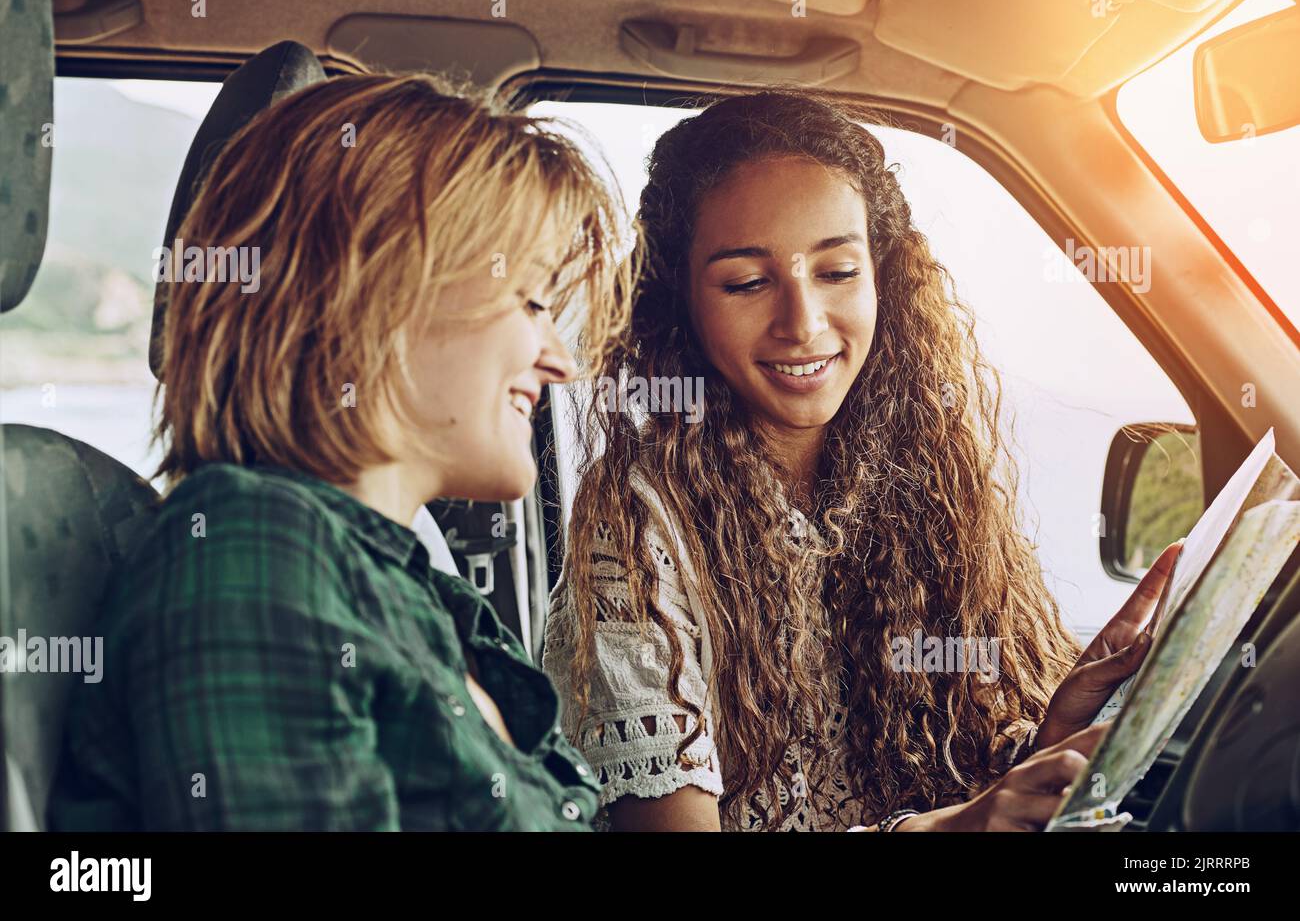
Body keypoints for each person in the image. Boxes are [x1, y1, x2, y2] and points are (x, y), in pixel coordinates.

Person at [543, 89, 1179, 831]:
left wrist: (1059, 727)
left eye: (837, 272)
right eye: (747, 282)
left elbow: (974, 796)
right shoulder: (636, 516)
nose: (802, 323)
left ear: (884, 278)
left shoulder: (929, 472)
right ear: (678, 302)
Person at [49, 72, 634, 830]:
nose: (561, 361)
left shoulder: (407, 581)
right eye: (529, 300)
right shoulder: (255, 556)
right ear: (377, 291)